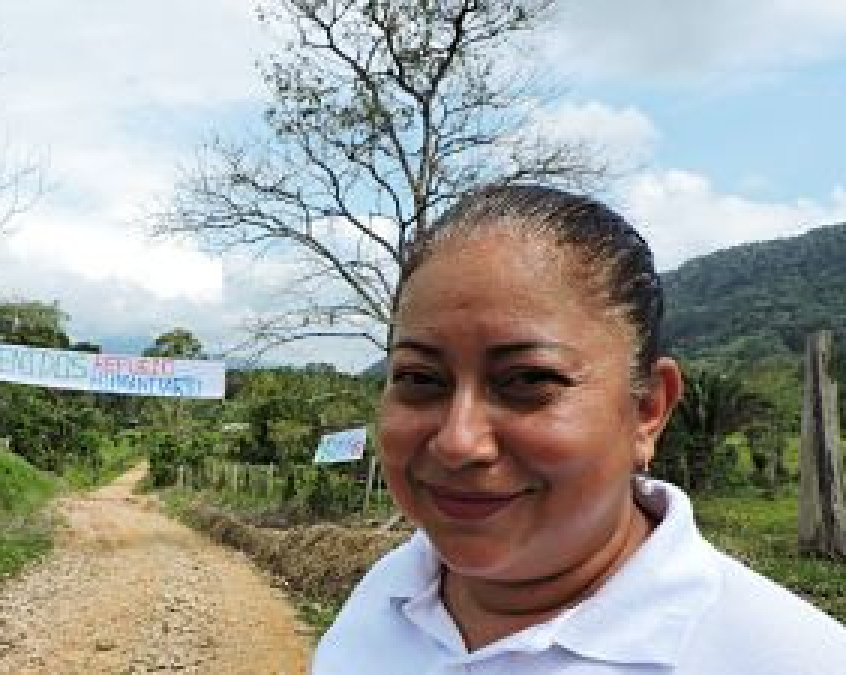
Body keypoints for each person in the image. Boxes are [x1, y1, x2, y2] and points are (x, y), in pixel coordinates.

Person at [313, 184, 846, 674]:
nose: (458, 442)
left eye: (528, 380)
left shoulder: (788, 659)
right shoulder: (385, 600)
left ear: (647, 410)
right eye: (420, 378)